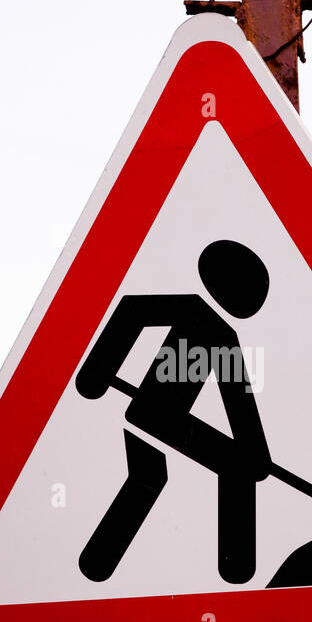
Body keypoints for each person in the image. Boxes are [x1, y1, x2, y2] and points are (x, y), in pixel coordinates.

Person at [74, 239, 271, 584]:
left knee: (150, 477)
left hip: (161, 417)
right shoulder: (207, 323)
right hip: (157, 414)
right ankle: (236, 565)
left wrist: (95, 376)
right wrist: (95, 375)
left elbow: (238, 402)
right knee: (181, 473)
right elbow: (131, 311)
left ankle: (97, 565)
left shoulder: (220, 334)